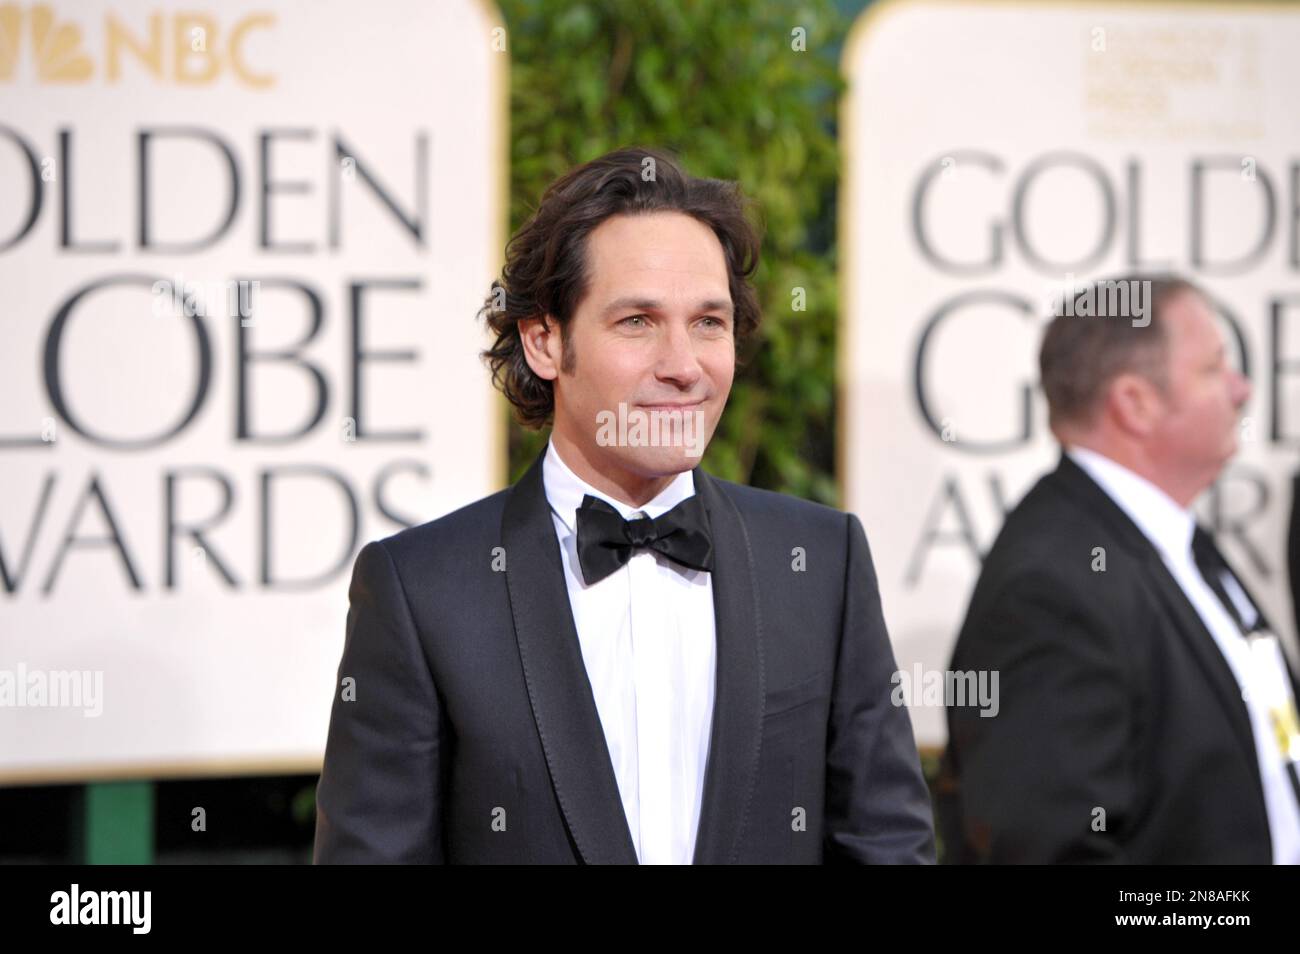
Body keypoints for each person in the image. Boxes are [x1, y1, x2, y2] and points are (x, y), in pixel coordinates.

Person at [314, 146, 935, 864]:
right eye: (638, 321)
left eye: (709, 322)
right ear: (545, 341)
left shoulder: (822, 566)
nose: (683, 365)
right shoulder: (423, 591)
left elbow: (886, 845)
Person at [938, 275, 1300, 863]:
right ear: (1134, 403)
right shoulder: (1049, 589)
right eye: (1213, 369)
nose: (1242, 388)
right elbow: (1046, 850)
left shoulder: (1179, 546)